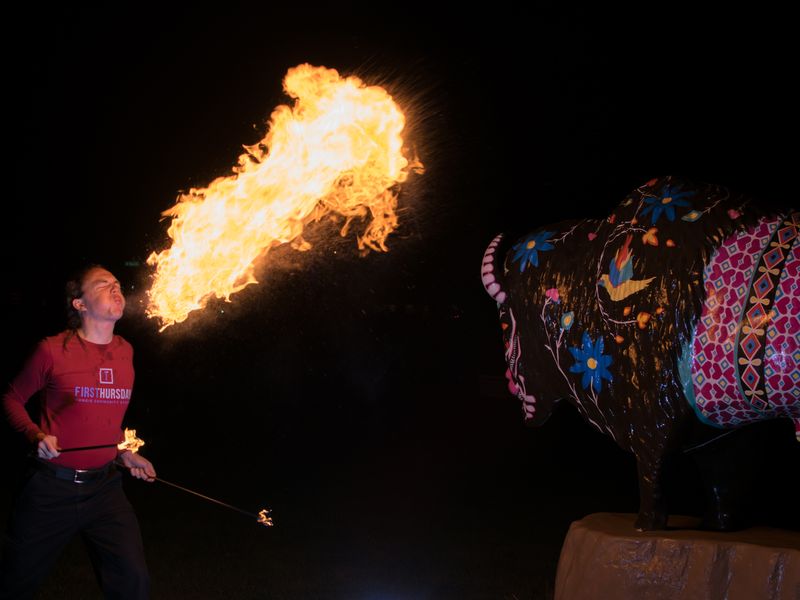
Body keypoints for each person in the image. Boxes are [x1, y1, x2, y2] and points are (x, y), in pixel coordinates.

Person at [0, 265, 155, 599]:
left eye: (117, 284)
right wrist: (35, 435)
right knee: (15, 583)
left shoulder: (125, 351)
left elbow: (103, 420)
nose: (116, 289)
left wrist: (124, 452)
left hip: (104, 490)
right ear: (80, 304)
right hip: (51, 490)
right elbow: (11, 398)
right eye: (103, 285)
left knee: (134, 581)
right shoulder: (52, 351)